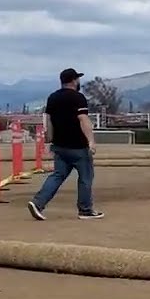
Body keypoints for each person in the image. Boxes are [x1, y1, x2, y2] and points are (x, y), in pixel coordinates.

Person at [27, 68, 104, 221]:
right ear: (74, 80)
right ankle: (85, 209)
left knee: (57, 175)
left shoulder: (53, 97)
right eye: (77, 79)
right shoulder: (78, 98)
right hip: (78, 146)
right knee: (86, 177)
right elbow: (83, 119)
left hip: (59, 145)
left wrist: (50, 138)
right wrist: (91, 141)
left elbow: (48, 120)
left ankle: (38, 202)